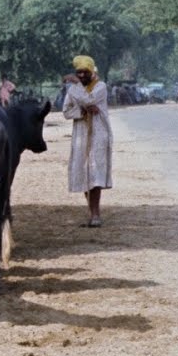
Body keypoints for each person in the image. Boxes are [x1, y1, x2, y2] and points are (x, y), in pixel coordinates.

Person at [62, 55, 112, 227]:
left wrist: (76, 86)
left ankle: (96, 214)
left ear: (92, 72)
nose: (82, 75)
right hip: (80, 135)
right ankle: (91, 213)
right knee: (84, 173)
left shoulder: (101, 87)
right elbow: (66, 111)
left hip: (99, 135)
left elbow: (90, 99)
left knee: (95, 174)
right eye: (78, 72)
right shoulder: (74, 90)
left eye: (85, 72)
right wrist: (82, 111)